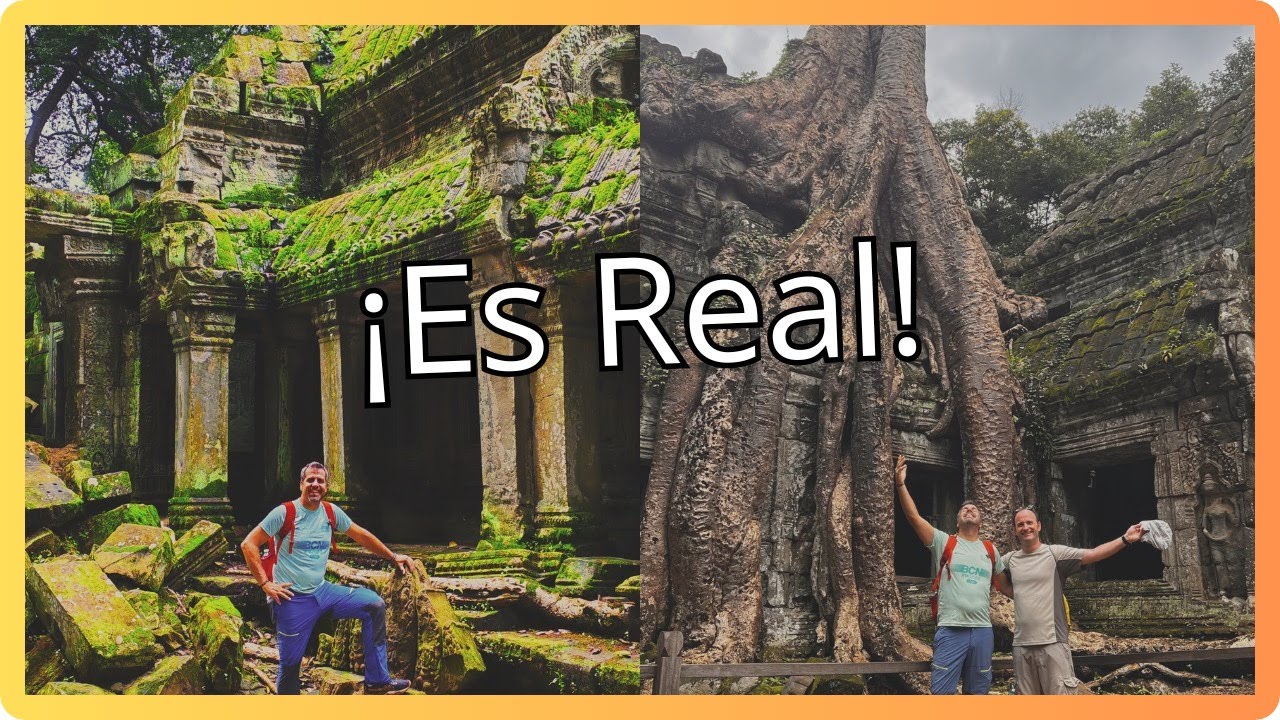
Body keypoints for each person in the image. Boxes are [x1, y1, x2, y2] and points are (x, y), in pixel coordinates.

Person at [241, 461, 414, 694]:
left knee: (374, 605)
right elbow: (248, 544)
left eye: (320, 481)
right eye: (310, 480)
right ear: (301, 484)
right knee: (291, 665)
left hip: (323, 592)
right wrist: (265, 584)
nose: (315, 484)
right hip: (292, 597)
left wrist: (393, 556)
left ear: (326, 486)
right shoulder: (285, 513)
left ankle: (377, 680)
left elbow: (360, 535)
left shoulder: (331, 512)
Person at [1000, 507, 1147, 695]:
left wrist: (1125, 539)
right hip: (1021, 645)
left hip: (1052, 642)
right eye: (1020, 524)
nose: (1025, 527)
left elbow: (1094, 554)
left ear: (1038, 526)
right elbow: (995, 576)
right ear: (1014, 530)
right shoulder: (1009, 560)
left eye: (1029, 523)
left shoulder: (1055, 554)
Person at [894, 455, 1007, 694]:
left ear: (980, 522)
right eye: (964, 508)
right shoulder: (945, 542)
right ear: (957, 521)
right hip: (951, 628)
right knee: (942, 693)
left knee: (978, 694)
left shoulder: (990, 550)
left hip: (983, 630)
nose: (969, 509)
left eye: (974, 509)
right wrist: (901, 484)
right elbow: (914, 519)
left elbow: (1007, 588)